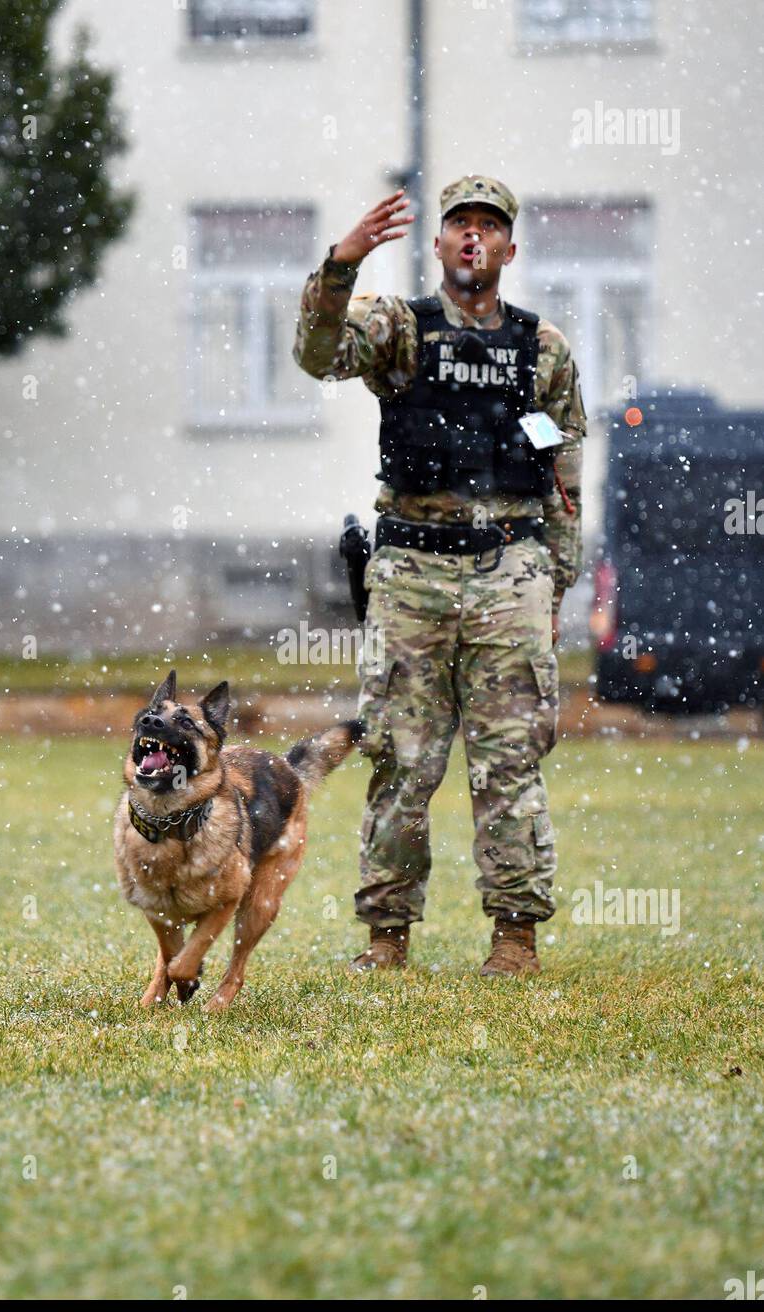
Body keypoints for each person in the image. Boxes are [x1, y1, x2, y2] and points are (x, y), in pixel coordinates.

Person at [292, 175, 586, 976]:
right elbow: (316, 357)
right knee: (399, 757)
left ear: (508, 250)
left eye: (489, 227)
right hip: (413, 570)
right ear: (439, 242)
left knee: (511, 759)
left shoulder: (543, 347)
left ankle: (515, 936)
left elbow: (565, 475)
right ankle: (387, 938)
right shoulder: (399, 330)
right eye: (460, 224)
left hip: (509, 573)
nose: (473, 238)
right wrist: (341, 266)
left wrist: (556, 584)